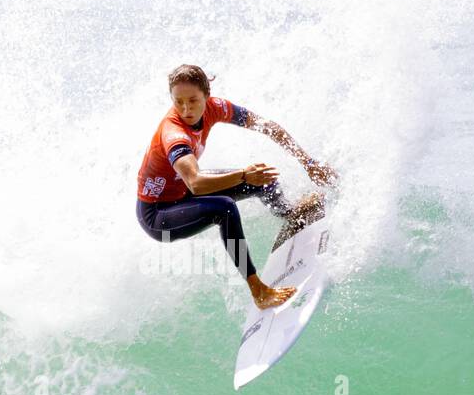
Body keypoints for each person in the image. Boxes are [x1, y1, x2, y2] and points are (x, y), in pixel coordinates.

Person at [135, 64, 338, 309]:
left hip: (182, 191)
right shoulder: (173, 133)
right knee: (225, 208)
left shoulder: (216, 108)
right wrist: (243, 175)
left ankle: (291, 215)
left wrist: (308, 162)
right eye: (178, 102)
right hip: (158, 214)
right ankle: (259, 291)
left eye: (193, 100)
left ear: (206, 96)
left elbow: (267, 126)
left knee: (263, 177)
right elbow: (196, 183)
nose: (186, 109)